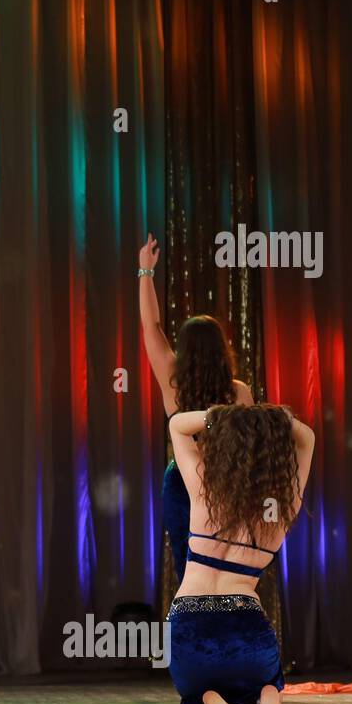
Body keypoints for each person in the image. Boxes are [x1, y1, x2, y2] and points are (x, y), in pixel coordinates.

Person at [166, 405, 314, 704]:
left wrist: (223, 417)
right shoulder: (281, 507)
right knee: (264, 677)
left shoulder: (205, 491)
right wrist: (277, 422)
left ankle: (207, 699)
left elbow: (177, 425)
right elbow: (308, 439)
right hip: (248, 634)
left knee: (196, 689)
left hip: (191, 631)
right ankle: (267, 690)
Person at [137, 233, 254, 580]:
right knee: (225, 572)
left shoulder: (174, 382)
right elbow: (248, 452)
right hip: (225, 487)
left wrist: (145, 272)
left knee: (190, 574)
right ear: (222, 351)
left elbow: (151, 326)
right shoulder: (239, 393)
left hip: (183, 485)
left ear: (184, 352)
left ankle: (193, 632)